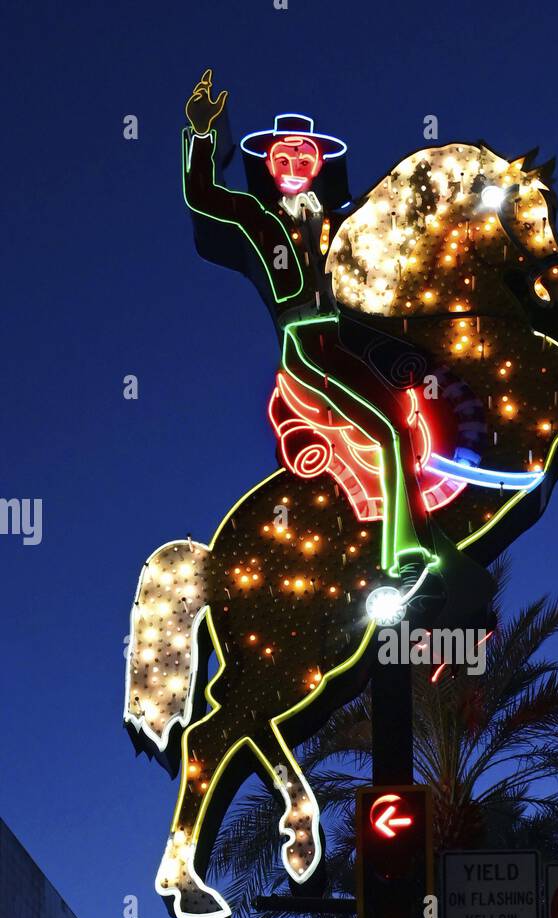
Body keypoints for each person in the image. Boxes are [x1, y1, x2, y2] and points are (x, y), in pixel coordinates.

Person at [182, 70, 435, 585]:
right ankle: (406, 553)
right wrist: (204, 136)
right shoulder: (255, 216)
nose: (294, 166)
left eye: (304, 158)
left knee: (416, 404)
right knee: (388, 429)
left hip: (350, 337)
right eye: (283, 158)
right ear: (268, 166)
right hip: (305, 343)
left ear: (319, 164)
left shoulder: (346, 222)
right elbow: (203, 195)